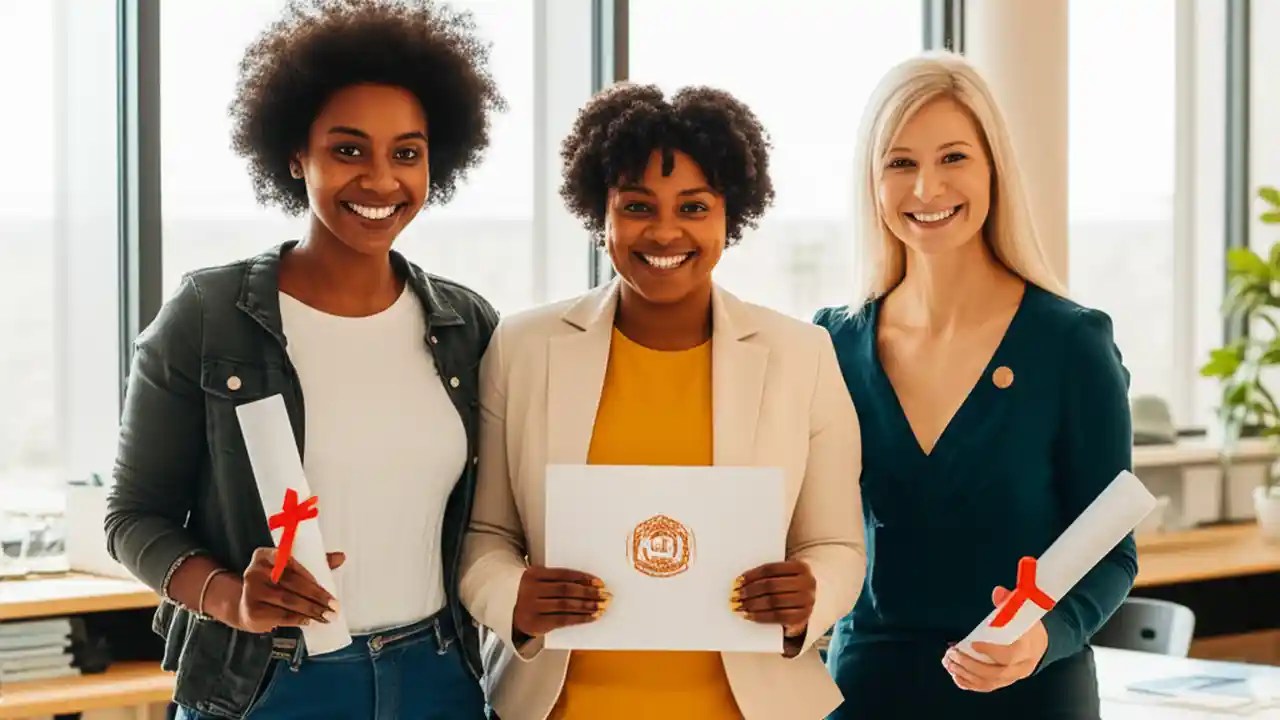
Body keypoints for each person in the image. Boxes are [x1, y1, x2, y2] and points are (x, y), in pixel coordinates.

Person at [105, 1, 505, 717]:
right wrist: (229, 596)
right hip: (269, 684)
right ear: (297, 155)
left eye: (406, 153)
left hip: (441, 678)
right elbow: (132, 517)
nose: (380, 181)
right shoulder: (209, 315)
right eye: (348, 150)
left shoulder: (466, 325)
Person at [459, 83, 866, 720]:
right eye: (637, 206)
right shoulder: (523, 347)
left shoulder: (802, 354)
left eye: (694, 207)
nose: (666, 230)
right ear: (601, 215)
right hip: (564, 708)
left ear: (731, 215)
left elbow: (837, 546)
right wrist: (513, 597)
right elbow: (485, 535)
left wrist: (810, 595)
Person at [817, 52, 1136, 719]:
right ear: (872, 181)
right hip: (864, 694)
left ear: (994, 169)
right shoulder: (831, 344)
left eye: (953, 157)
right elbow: (804, 532)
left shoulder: (1070, 343)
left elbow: (1112, 555)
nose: (927, 188)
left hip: (1029, 694)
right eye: (900, 162)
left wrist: (1042, 637)